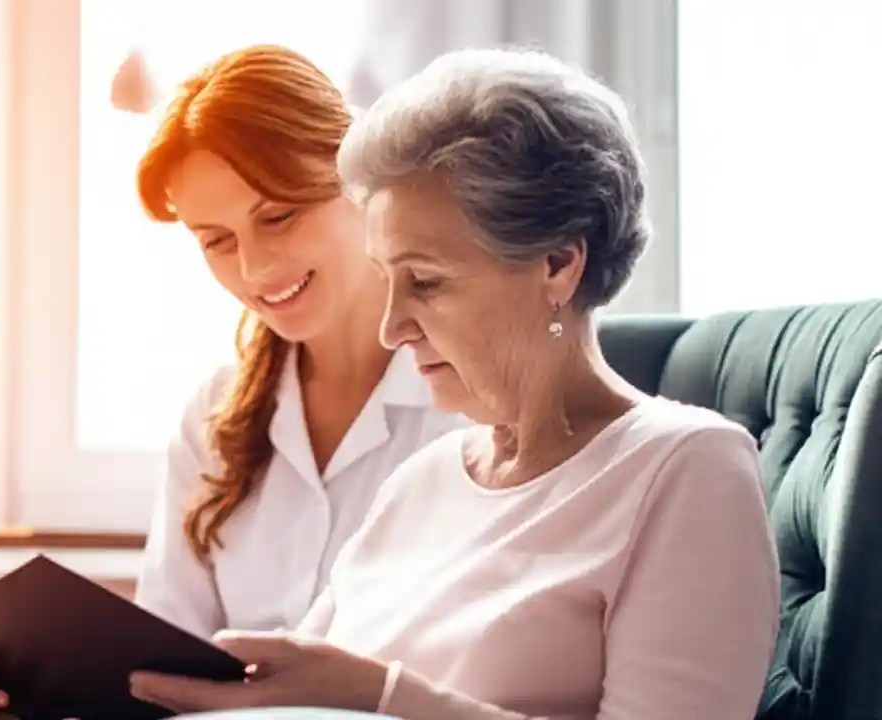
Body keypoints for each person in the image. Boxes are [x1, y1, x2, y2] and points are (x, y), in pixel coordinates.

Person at [126, 48, 781, 719]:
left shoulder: (688, 468)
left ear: (558, 263)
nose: (391, 328)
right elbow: (279, 699)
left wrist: (381, 695)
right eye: (388, 274)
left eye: (427, 283)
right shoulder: (425, 481)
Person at [0, 44, 466, 718]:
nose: (256, 268)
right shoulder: (215, 415)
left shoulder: (472, 399)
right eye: (216, 240)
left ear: (363, 183)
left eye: (278, 217)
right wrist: (13, 694)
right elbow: (154, 677)